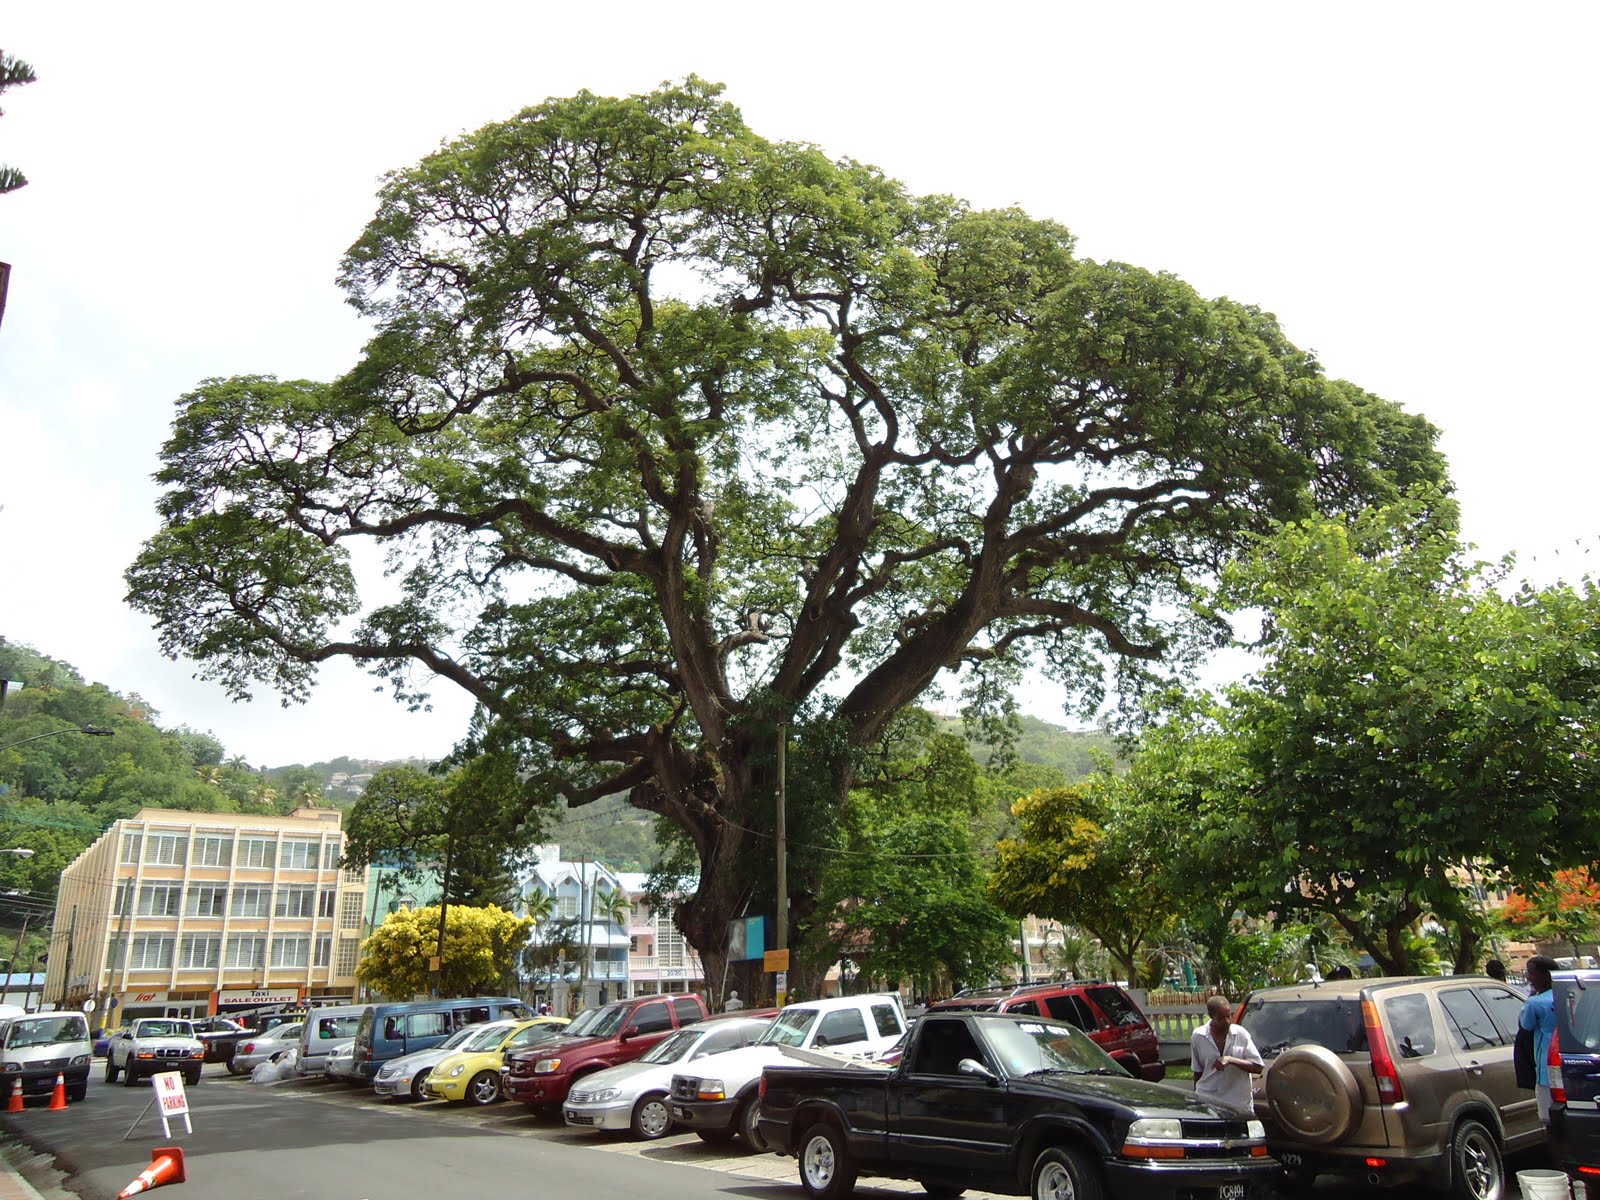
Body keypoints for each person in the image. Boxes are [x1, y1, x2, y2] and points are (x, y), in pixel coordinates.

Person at [1190, 994, 1265, 1114]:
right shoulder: (1198, 1036)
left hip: (1239, 1104)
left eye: (1229, 1016)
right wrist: (1196, 1101)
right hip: (1208, 1101)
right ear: (1211, 1016)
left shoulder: (1240, 1034)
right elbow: (1197, 1073)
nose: (1227, 1022)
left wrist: (1231, 1060)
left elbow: (1258, 1067)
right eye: (1220, 1018)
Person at [1520, 956, 1561, 1128]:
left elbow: (1525, 1026)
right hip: (1572, 1063)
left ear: (1546, 975)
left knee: (1549, 1120)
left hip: (1547, 1068)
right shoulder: (1570, 995)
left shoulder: (1535, 1003)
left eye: (1531, 973)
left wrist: (1532, 996)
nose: (1528, 977)